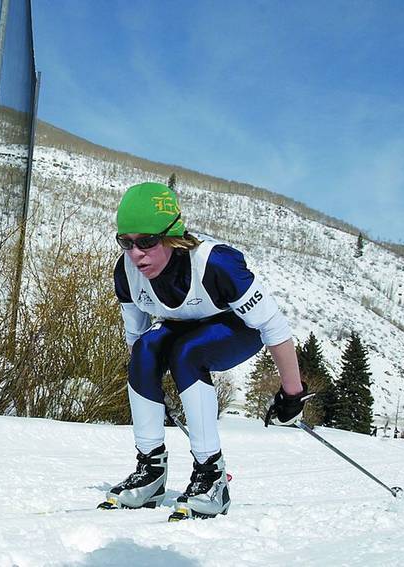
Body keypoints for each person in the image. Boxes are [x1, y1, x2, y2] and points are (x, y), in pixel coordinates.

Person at [106, 182, 313, 519]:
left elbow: (274, 326)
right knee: (144, 350)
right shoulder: (126, 272)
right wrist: (151, 391)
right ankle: (150, 470)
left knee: (187, 353)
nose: (136, 253)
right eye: (126, 242)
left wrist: (293, 394)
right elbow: (137, 337)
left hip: (236, 329)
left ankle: (211, 476)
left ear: (172, 236)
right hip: (184, 327)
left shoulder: (215, 263)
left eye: (147, 241)